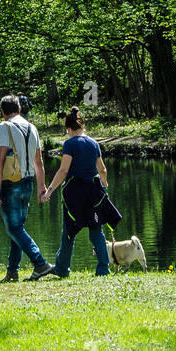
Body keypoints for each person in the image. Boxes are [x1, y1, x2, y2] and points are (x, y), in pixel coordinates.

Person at [36, 106, 119, 278]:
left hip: (74, 194)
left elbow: (64, 170)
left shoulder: (70, 144)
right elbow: (102, 169)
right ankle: (103, 268)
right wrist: (104, 184)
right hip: (93, 193)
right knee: (96, 231)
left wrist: (49, 190)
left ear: (68, 128)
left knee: (69, 231)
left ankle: (62, 268)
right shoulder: (94, 143)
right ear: (82, 125)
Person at [0, 94, 53, 281]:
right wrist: (42, 187)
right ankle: (12, 271)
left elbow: (0, 159)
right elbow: (39, 161)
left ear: (2, 112)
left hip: (11, 183)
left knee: (14, 228)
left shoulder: (5, 127)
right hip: (28, 182)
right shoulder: (32, 127)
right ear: (19, 108)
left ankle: (40, 263)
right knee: (18, 228)